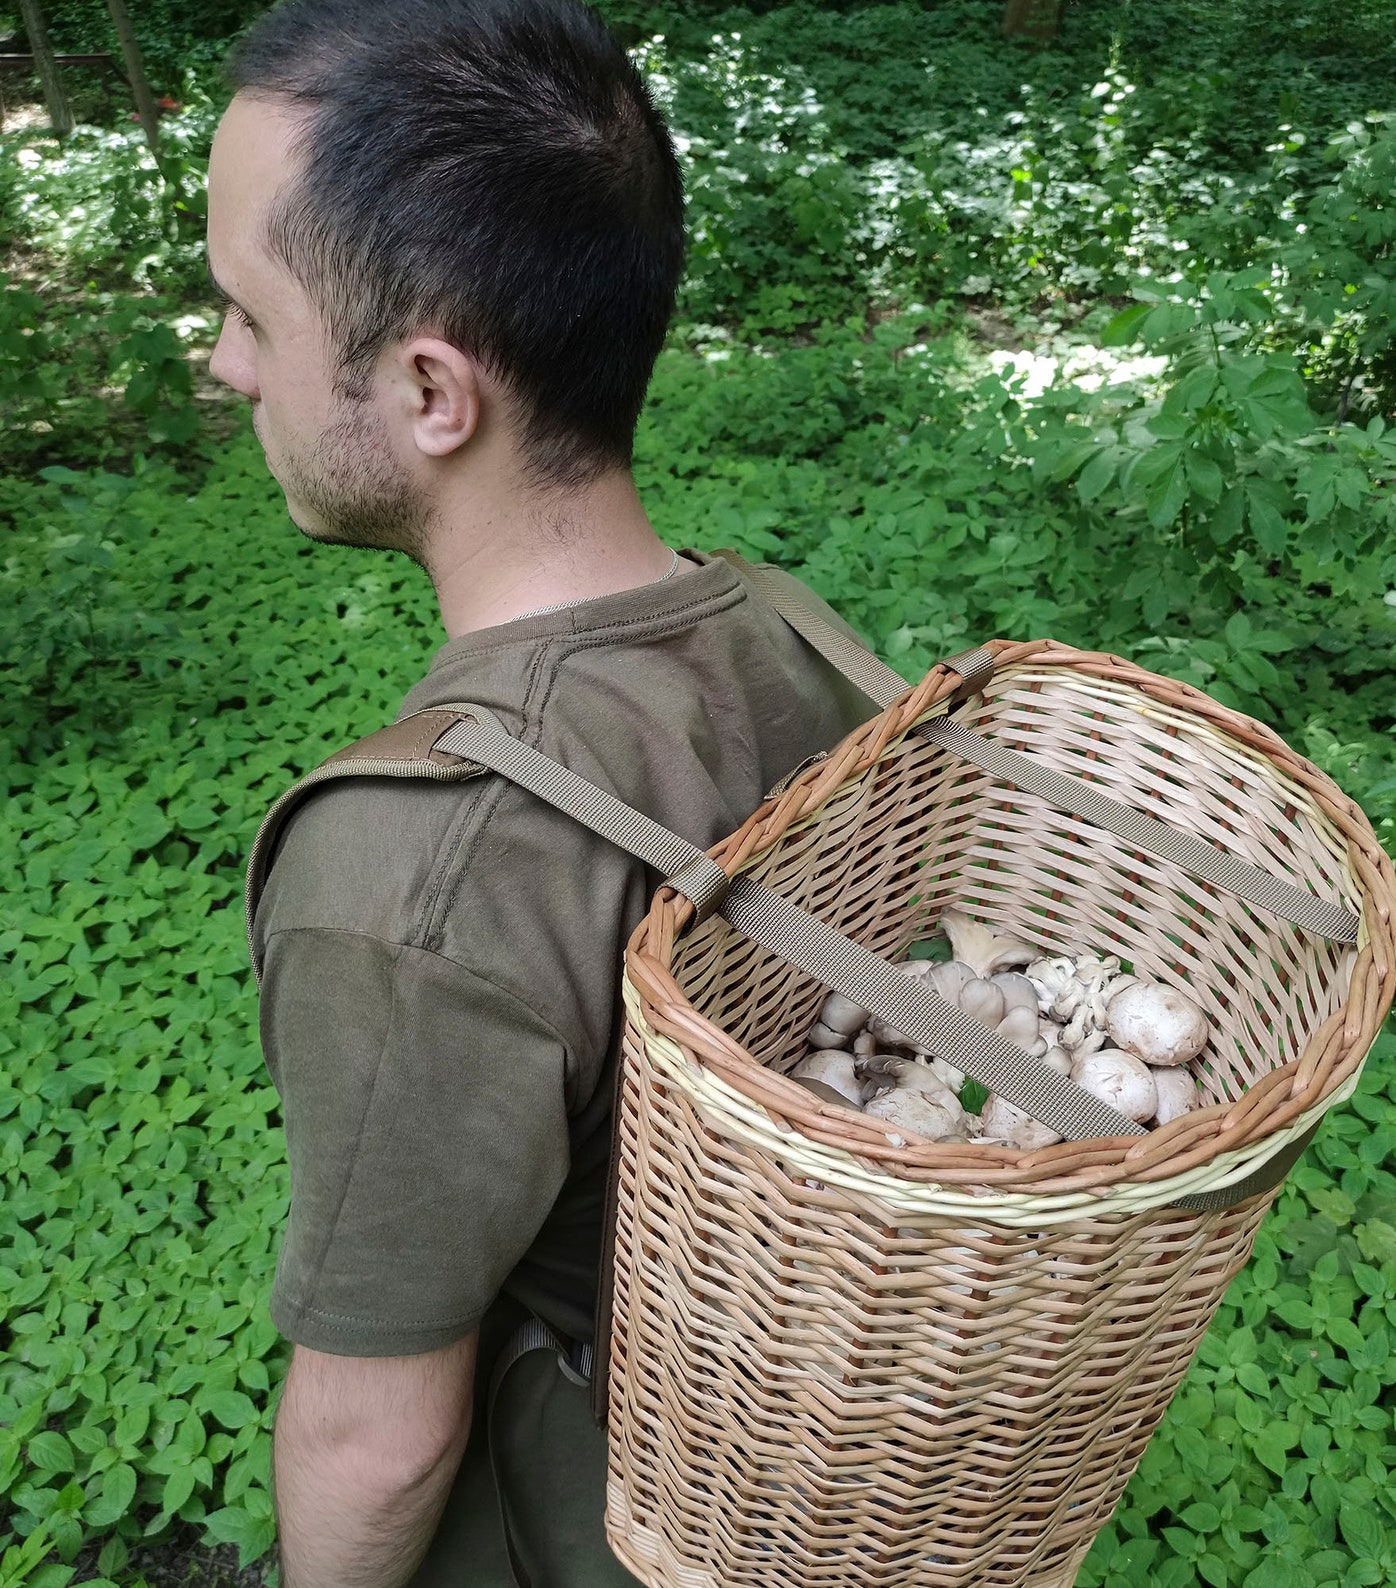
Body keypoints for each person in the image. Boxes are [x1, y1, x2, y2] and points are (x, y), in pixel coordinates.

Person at [204, 2, 871, 1583]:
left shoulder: (419, 875)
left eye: (248, 311)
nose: (226, 364)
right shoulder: (788, 632)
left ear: (434, 392)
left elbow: (381, 1436)